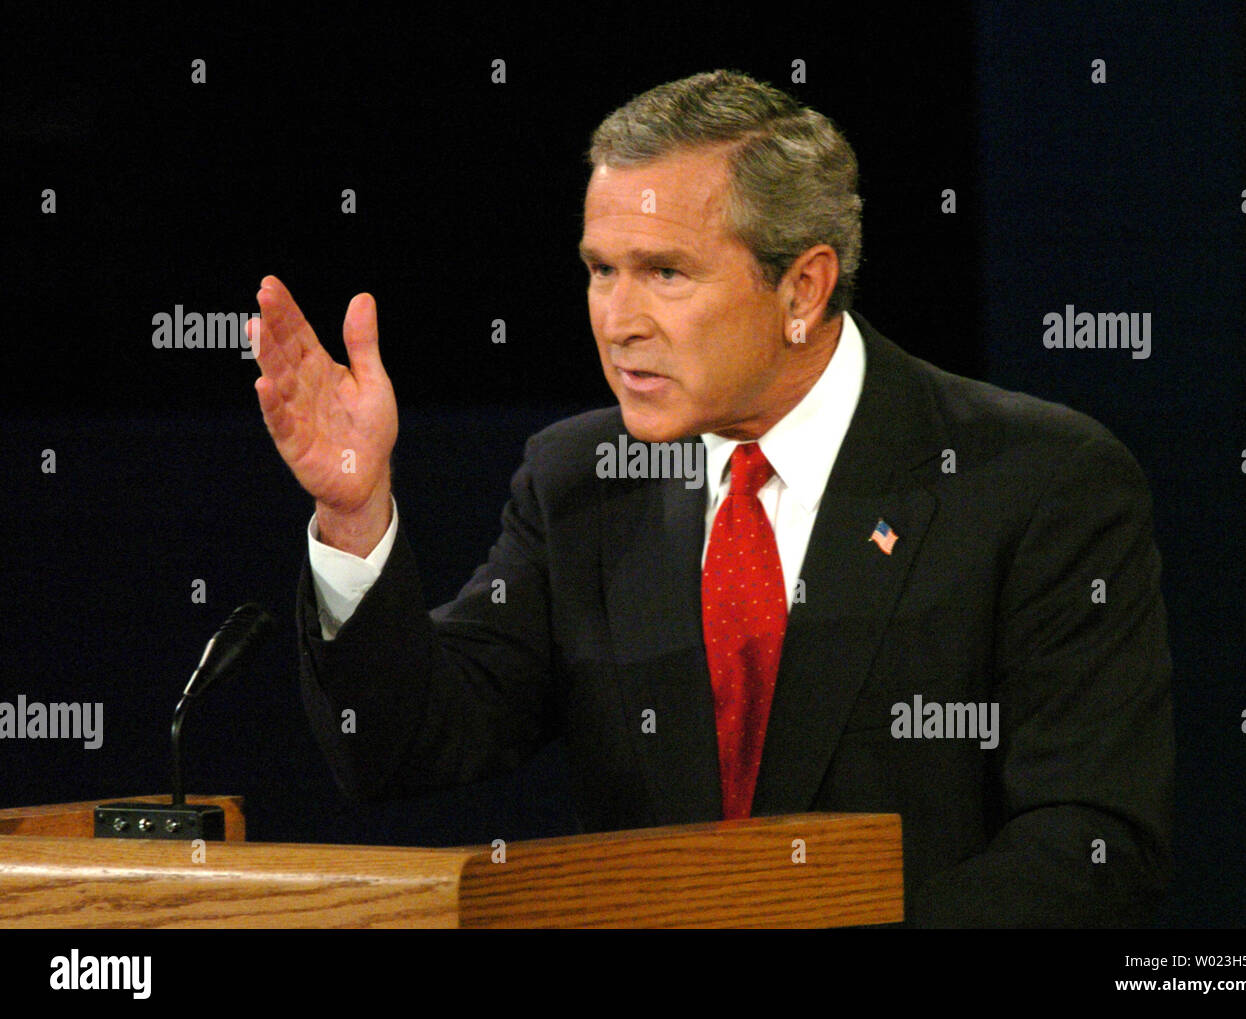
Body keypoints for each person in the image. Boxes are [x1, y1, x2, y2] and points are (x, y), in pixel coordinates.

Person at [251, 70, 1173, 926]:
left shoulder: (1036, 481)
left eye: (665, 272)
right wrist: (355, 512)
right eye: (600, 269)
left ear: (802, 287)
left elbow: (1089, 844)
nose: (618, 320)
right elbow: (407, 742)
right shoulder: (580, 481)